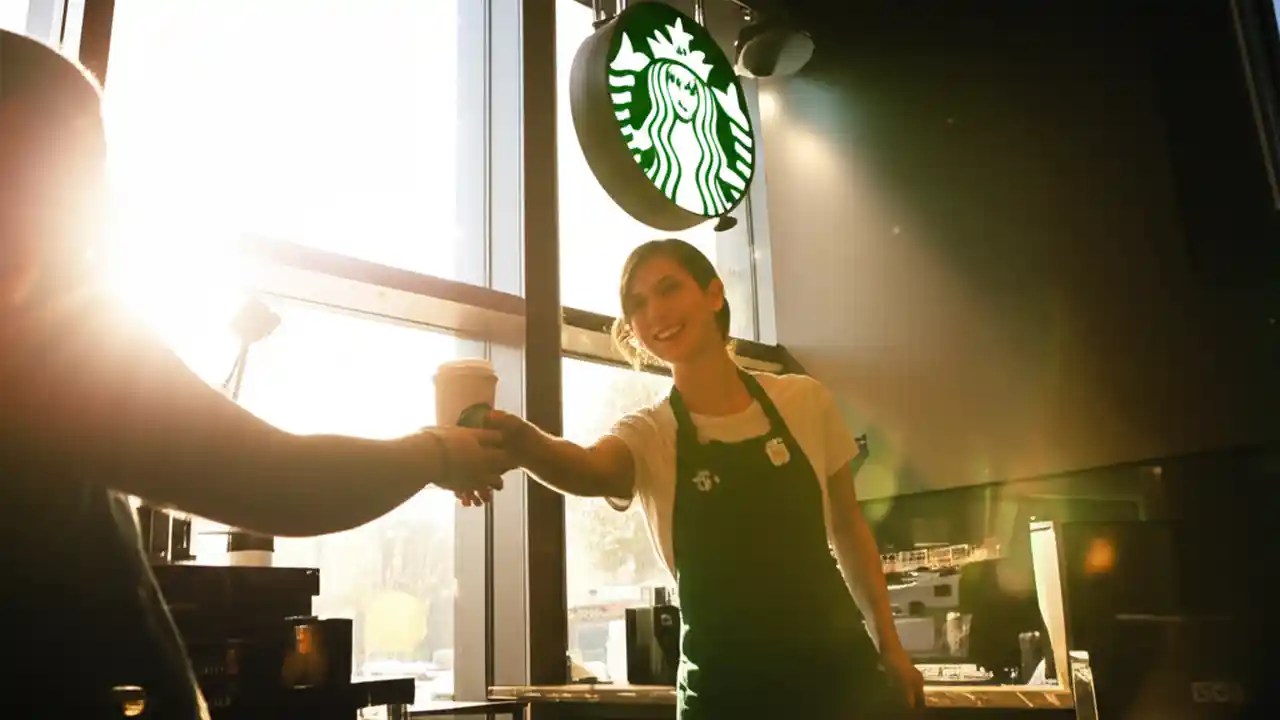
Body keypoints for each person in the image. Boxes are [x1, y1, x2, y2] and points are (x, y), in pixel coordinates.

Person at [0, 31, 511, 718]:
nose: (98, 200)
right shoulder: (42, 339)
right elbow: (278, 479)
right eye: (80, 162)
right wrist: (435, 451)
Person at [487, 238, 927, 718]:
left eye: (669, 288)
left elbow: (848, 528)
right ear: (633, 330)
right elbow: (587, 468)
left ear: (714, 295)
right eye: (638, 304)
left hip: (839, 683)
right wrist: (518, 442)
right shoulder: (650, 432)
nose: (656, 310)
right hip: (724, 695)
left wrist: (891, 644)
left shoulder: (804, 400)